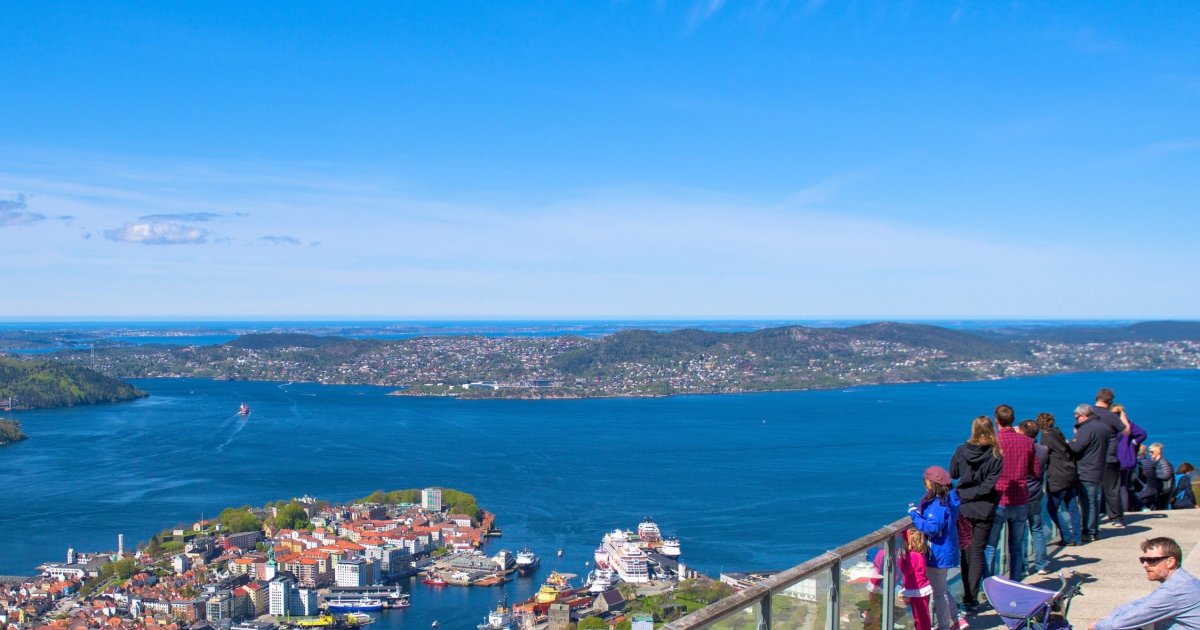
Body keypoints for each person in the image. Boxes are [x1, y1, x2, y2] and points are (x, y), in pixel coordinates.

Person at [1089, 537, 1200, 630]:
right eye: (1143, 560)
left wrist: (1097, 626)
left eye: (1151, 560)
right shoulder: (1183, 581)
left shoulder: (1174, 590)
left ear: (1170, 562)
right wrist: (1109, 618)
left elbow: (1123, 623)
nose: (1145, 565)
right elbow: (1140, 604)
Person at [949, 416, 1003, 609]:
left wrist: (965, 494)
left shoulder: (962, 450)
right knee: (977, 552)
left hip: (964, 506)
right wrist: (975, 493)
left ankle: (968, 596)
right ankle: (971, 597)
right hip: (984, 507)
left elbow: (953, 473)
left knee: (966, 552)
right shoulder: (996, 454)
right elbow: (989, 486)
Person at [985, 404, 1040, 581]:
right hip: (1021, 498)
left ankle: (988, 584)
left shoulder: (994, 442)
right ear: (1013, 420)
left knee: (990, 545)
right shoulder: (1027, 442)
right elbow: (1036, 471)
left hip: (998, 498)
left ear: (996, 419)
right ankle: (1015, 580)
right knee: (1017, 544)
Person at [908, 466, 960, 630]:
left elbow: (931, 528)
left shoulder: (938, 505)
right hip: (945, 549)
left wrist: (914, 514)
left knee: (939, 593)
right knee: (941, 588)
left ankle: (945, 625)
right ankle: (958, 619)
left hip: (938, 552)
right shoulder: (949, 499)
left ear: (931, 483)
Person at [1038, 412, 1081, 546]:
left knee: (1052, 508)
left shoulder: (1045, 437)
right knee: (1072, 507)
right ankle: (1077, 537)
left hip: (1057, 475)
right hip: (1070, 473)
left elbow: (1043, 456)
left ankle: (1067, 537)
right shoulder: (1058, 433)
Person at [1091, 388, 1131, 528]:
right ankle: (1116, 518)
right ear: (1110, 401)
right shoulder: (1111, 416)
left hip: (1091, 459)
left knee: (1091, 491)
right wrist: (1123, 415)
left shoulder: (1088, 413)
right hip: (1109, 457)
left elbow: (1076, 431)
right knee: (1112, 489)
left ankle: (1092, 519)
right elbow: (1126, 430)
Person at [1068, 403, 1109, 542]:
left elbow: (1076, 448)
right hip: (1099, 468)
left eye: (1077, 417)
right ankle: (1094, 530)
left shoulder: (1087, 428)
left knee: (1088, 502)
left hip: (1086, 469)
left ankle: (1089, 531)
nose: (1076, 421)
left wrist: (1072, 440)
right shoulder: (1103, 427)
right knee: (1094, 501)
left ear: (1083, 416)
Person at [1019, 419, 1050, 574]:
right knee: (1037, 529)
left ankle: (1023, 566)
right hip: (1036, 494)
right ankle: (1042, 564)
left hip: (1022, 494)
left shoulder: (1021, 449)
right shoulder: (1043, 449)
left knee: (1021, 532)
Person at [1110, 403, 1148, 513]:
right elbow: (1142, 434)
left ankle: (1113, 510)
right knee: (1123, 486)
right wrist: (1133, 443)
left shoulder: (1112, 425)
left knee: (1113, 486)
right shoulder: (1129, 425)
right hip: (1127, 460)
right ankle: (1124, 510)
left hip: (1115, 458)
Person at [1147, 443, 1175, 510]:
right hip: (1160, 488)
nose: (1150, 453)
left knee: (1161, 507)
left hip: (1164, 489)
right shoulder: (1155, 461)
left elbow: (1166, 474)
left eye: (1151, 452)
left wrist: (1153, 475)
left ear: (1158, 452)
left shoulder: (1163, 462)